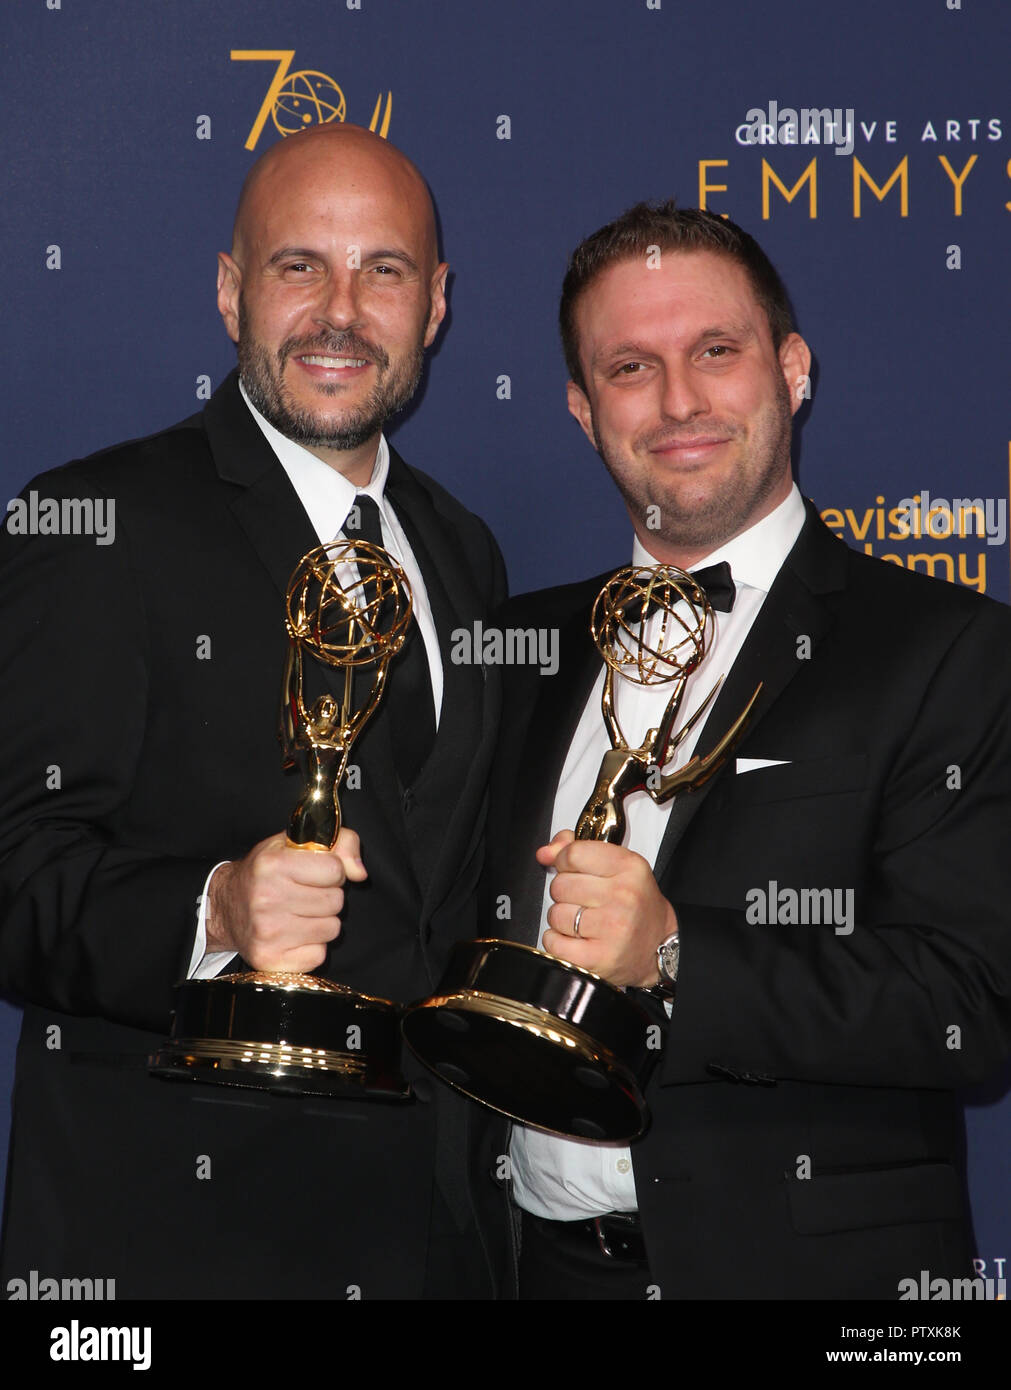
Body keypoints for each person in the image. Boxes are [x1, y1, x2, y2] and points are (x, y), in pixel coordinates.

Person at [0, 125, 509, 1299]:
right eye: (299, 267)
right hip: (183, 1244)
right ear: (232, 292)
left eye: (383, 270)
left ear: (434, 305)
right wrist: (211, 908)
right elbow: (15, 874)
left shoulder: (461, 549)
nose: (341, 310)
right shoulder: (95, 523)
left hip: (435, 1236)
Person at [483, 202, 1011, 1299]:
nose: (679, 400)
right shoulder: (517, 651)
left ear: (793, 368)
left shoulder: (947, 650)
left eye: (715, 352)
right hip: (540, 1273)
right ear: (585, 412)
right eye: (631, 367)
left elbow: (972, 1003)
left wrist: (678, 952)